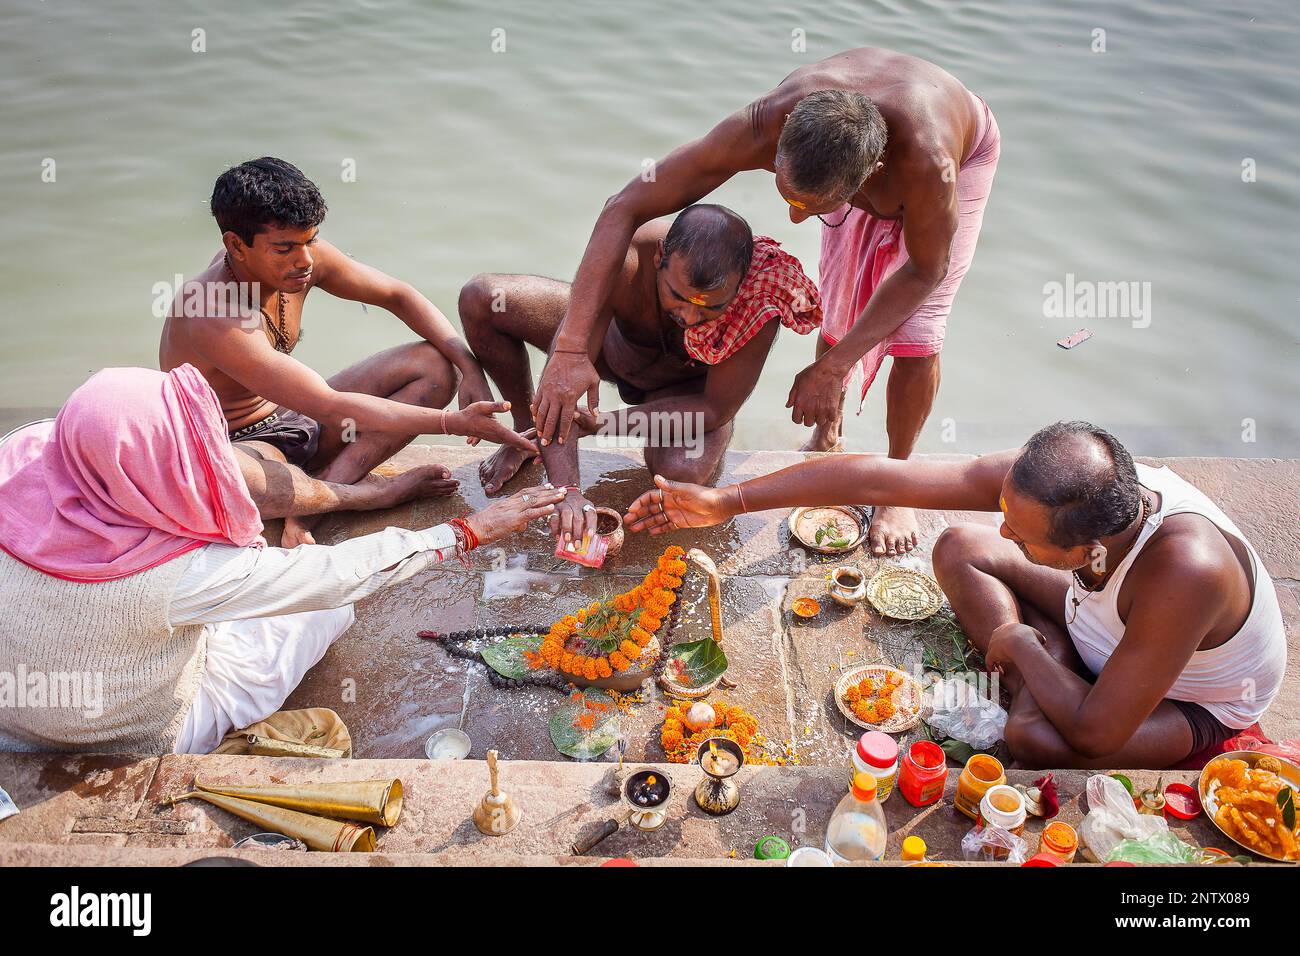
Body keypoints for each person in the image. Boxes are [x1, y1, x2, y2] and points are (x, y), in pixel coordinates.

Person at [531, 47, 1000, 557]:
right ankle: (828, 431)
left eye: (812, 208)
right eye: (787, 198)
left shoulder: (930, 168)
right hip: (842, 159)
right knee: (839, 307)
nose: (796, 221)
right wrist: (571, 350)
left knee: (917, 335)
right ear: (776, 150)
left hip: (954, 149)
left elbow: (926, 269)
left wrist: (833, 366)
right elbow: (624, 206)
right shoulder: (765, 122)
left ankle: (899, 480)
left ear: (874, 174)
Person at [624, 422, 1286, 769]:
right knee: (958, 549)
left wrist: (1022, 643)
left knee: (1034, 738)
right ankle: (1051, 661)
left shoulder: (1185, 570)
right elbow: (886, 477)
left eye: (1022, 534)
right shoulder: (1069, 488)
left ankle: (1038, 658)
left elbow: (1095, 732)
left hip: (1190, 702)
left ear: (1090, 551)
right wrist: (729, 499)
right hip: (1099, 626)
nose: (1005, 529)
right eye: (1008, 511)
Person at [0, 366, 564, 754]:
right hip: (127, 733)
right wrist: (468, 528)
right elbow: (339, 575)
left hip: (17, 718)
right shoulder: (172, 578)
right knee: (324, 608)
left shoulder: (23, 465)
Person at [160, 156, 536, 546]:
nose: (304, 260)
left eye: (311, 240)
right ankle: (367, 495)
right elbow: (330, 406)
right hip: (239, 444)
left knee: (436, 365)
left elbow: (398, 295)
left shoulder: (302, 257)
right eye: (285, 248)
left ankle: (315, 499)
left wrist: (469, 368)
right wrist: (455, 423)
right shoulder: (209, 310)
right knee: (237, 482)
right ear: (236, 245)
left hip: (293, 415)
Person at [460, 203, 820, 548]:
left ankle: (552, 433)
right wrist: (567, 492)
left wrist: (603, 424)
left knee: (681, 474)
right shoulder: (628, 251)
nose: (691, 319)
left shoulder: (759, 301)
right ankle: (526, 435)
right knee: (484, 297)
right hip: (612, 351)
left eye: (712, 307)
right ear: (659, 256)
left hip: (683, 389)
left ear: (739, 285)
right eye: (677, 297)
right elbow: (565, 369)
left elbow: (714, 408)